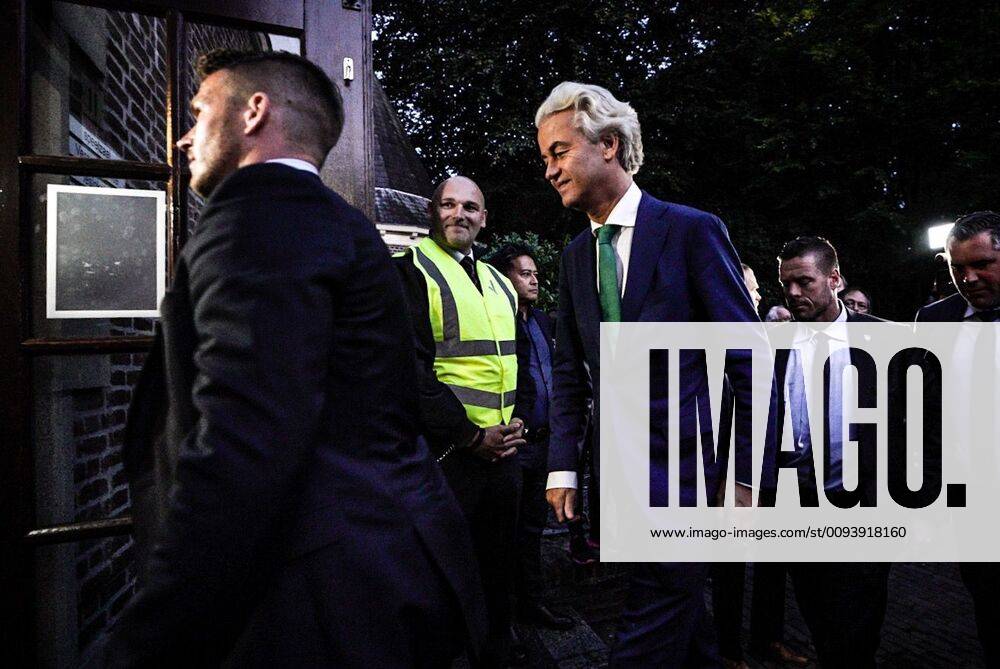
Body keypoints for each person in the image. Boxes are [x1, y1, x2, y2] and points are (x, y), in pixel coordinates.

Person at [110, 49, 486, 667]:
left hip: (318, 599)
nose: (183, 137)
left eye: (200, 111)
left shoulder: (259, 219)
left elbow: (246, 439)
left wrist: (152, 639)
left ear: (254, 111)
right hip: (390, 566)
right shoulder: (342, 225)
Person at [536, 81, 758, 666]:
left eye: (559, 152)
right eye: (545, 160)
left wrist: (744, 474)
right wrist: (563, 467)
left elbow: (748, 360)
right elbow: (569, 372)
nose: (551, 170)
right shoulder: (575, 256)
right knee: (686, 625)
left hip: (689, 485)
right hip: (619, 483)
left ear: (608, 145)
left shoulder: (691, 231)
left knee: (646, 630)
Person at [394, 176, 526, 667]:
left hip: (505, 454)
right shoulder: (410, 270)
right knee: (441, 578)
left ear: (484, 218)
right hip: (449, 457)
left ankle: (495, 654)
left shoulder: (497, 281)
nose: (459, 214)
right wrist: (471, 436)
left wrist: (519, 424)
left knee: (498, 573)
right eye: (448, 205)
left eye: (470, 207)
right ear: (434, 211)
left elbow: (520, 358)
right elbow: (409, 368)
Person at [774, 236, 891, 669]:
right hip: (798, 512)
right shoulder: (772, 344)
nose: (793, 293)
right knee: (820, 622)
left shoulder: (885, 338)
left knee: (858, 632)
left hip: (862, 511)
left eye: (805, 281)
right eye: (786, 284)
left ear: (835, 279)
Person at [711, 263, 807, 669]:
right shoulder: (716, 343)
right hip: (732, 476)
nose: (756, 297)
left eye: (753, 290)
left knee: (773, 563)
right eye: (747, 289)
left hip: (777, 471)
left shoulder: (771, 341)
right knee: (729, 568)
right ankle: (728, 651)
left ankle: (769, 639)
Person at [915, 211, 1000, 667]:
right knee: (987, 606)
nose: (968, 278)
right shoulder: (934, 319)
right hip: (973, 504)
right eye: (957, 268)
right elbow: (923, 414)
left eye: (982, 264)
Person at [490, 244, 575, 632]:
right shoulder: (494, 321)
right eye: (525, 273)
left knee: (532, 532)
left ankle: (531, 605)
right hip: (512, 445)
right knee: (502, 534)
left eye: (535, 273)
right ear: (505, 279)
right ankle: (501, 621)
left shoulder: (542, 320)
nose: (535, 279)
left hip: (544, 443)